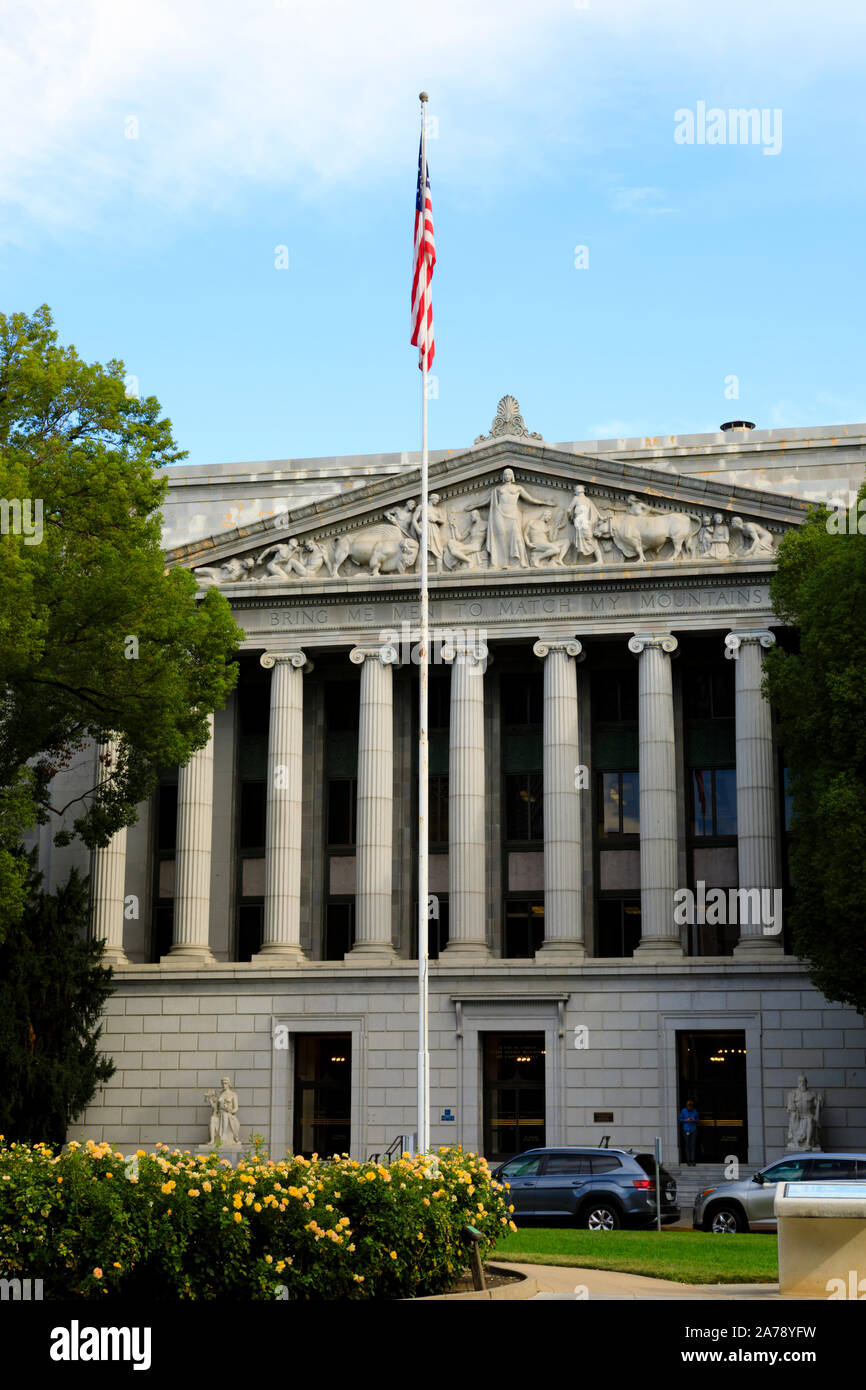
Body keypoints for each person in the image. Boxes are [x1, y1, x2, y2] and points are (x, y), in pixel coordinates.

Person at [679, 1098, 699, 1166]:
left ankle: (692, 1160)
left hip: (693, 1129)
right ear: (687, 1106)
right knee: (687, 1145)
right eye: (688, 1106)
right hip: (686, 1129)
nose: (689, 1108)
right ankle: (688, 1160)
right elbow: (680, 1119)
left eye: (690, 1106)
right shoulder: (683, 1111)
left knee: (692, 1145)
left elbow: (697, 1120)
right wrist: (686, 1120)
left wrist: (694, 1120)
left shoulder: (695, 1111)